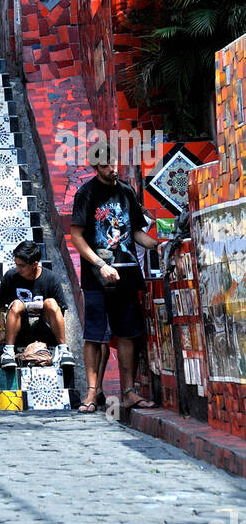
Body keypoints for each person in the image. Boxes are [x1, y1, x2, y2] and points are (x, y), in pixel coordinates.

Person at [70, 158, 159, 414]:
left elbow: (136, 232)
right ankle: (91, 393)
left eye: (115, 164)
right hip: (97, 278)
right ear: (95, 167)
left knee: (128, 333)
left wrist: (155, 245)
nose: (113, 170)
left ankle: (128, 392)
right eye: (107, 166)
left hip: (127, 275)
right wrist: (100, 264)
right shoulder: (86, 194)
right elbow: (76, 235)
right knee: (94, 335)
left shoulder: (126, 191)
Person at [0, 240, 74, 370]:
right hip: (19, 330)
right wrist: (3, 331)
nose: (18, 269)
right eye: (16, 264)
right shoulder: (10, 277)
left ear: (35, 264)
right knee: (17, 304)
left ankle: (64, 350)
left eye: (22, 266)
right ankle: (8, 352)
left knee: (51, 303)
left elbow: (59, 312)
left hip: (44, 331)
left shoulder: (51, 278)